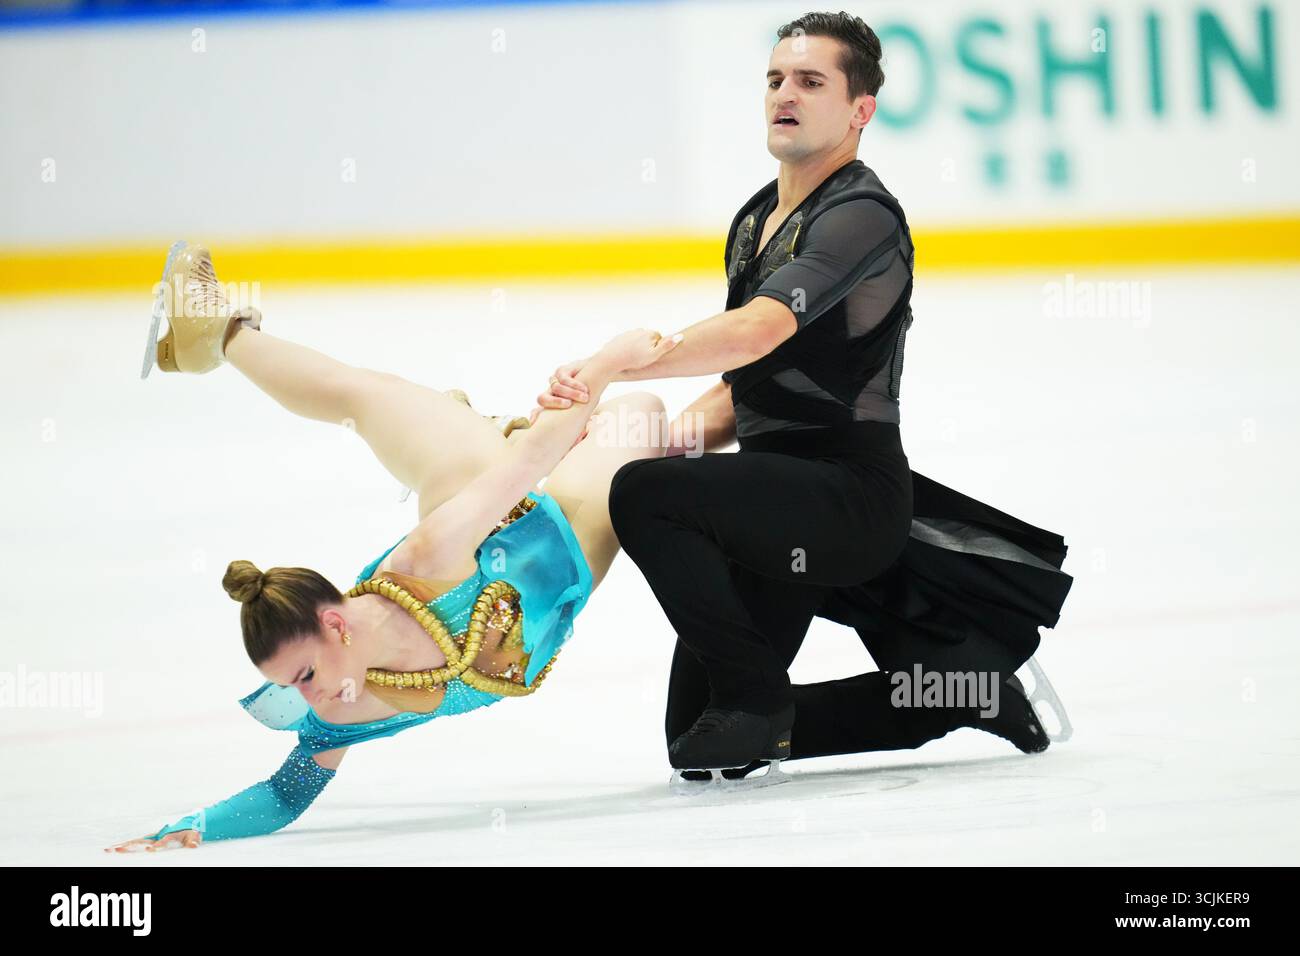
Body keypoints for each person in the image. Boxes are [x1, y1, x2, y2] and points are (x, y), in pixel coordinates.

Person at [537, 12, 1074, 782]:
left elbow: (757, 331)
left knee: (648, 498)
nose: (785, 94)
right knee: (695, 740)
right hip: (771, 497)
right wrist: (662, 439)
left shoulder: (859, 215)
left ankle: (758, 700)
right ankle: (960, 695)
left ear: (861, 110)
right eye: (776, 79)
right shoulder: (756, 219)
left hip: (845, 494)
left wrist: (618, 366)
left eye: (811, 81)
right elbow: (745, 382)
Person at [107, 241, 682, 850]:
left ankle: (219, 334)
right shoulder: (338, 709)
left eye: (303, 673)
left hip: (482, 502)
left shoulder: (423, 559)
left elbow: (531, 459)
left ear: (335, 624)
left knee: (371, 400)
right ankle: (484, 432)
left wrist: (608, 360)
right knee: (640, 416)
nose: (307, 697)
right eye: (293, 685)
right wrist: (192, 828)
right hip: (561, 557)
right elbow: (284, 795)